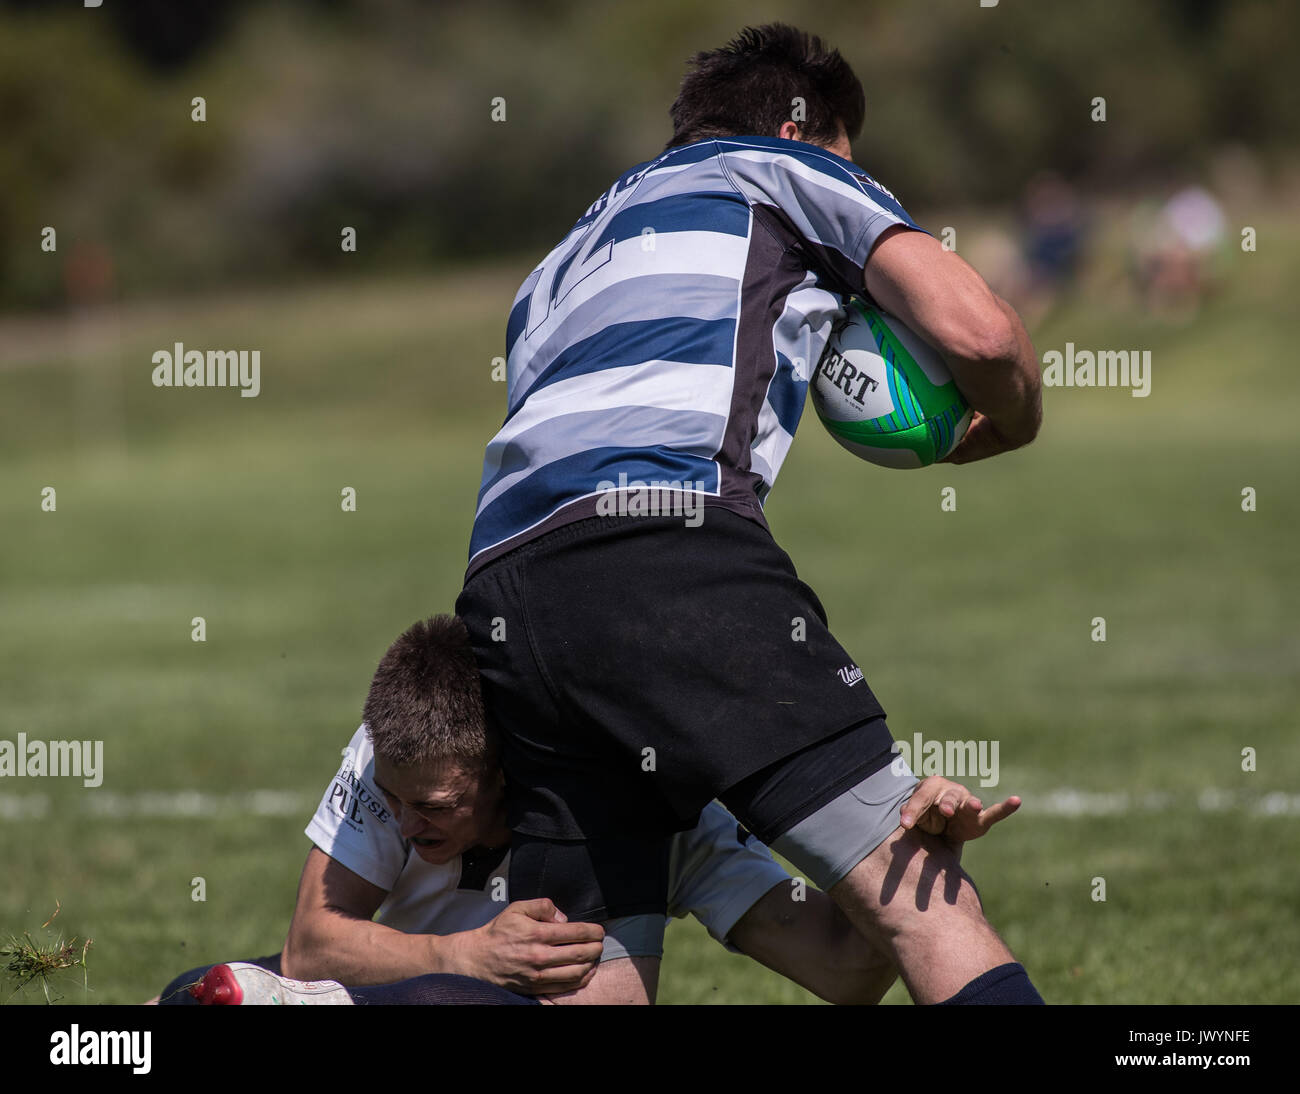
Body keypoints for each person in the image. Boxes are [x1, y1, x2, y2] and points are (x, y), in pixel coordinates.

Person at [454, 23, 1044, 1005]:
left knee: (588, 972)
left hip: (508, 594)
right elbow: (977, 328)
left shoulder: (556, 262)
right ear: (796, 126)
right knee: (921, 896)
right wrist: (1014, 416)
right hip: (665, 545)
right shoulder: (779, 167)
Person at [156, 616, 1020, 1005]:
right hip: (396, 975)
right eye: (394, 802)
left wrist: (912, 854)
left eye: (436, 809)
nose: (407, 824)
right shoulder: (395, 753)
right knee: (180, 997)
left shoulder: (644, 807)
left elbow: (841, 971)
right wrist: (469, 950)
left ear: (507, 770)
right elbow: (315, 940)